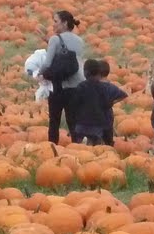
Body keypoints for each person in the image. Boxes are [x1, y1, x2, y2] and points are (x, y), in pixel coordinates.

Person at [39, 10, 85, 145]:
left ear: (64, 23)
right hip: (76, 84)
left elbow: (48, 63)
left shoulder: (55, 39)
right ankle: (77, 148)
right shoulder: (79, 40)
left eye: (55, 21)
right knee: (73, 120)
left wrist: (39, 74)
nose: (53, 25)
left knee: (54, 121)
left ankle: (51, 148)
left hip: (59, 85)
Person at [71, 59, 126, 147]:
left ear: (85, 73)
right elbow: (122, 95)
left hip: (81, 125)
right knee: (98, 148)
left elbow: (74, 104)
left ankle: (85, 144)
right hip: (98, 126)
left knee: (79, 148)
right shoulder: (104, 88)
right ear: (99, 73)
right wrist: (110, 103)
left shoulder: (81, 86)